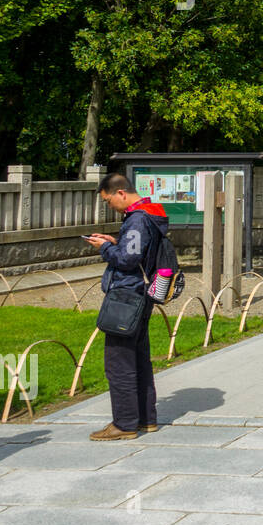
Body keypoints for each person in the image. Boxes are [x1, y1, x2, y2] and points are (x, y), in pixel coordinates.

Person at [83, 173, 168, 440]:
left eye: (108, 201)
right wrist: (115, 242)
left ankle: (124, 423)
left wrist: (105, 249)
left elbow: (129, 260)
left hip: (126, 296)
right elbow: (138, 251)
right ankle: (145, 419)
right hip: (142, 294)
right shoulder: (151, 215)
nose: (110, 206)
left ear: (121, 193)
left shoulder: (137, 218)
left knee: (118, 362)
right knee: (139, 358)